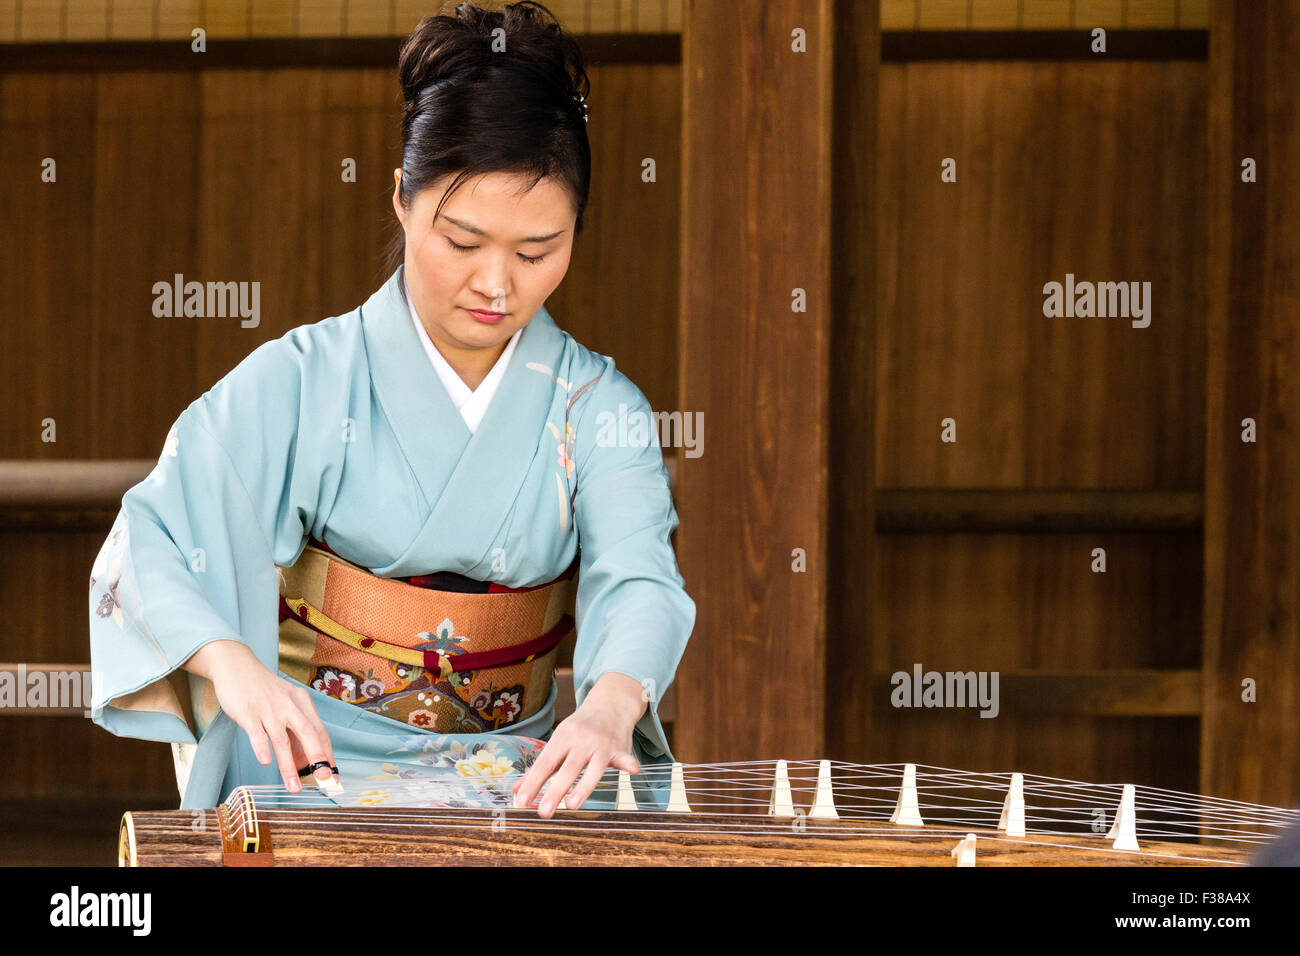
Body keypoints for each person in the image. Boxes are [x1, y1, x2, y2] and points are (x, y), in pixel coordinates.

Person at [87, 0, 694, 819]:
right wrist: (234, 666)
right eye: (464, 241)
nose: (496, 285)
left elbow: (640, 582)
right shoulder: (300, 383)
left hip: (527, 781)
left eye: (536, 251)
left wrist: (611, 704)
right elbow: (153, 540)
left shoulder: (597, 408)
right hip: (316, 772)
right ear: (402, 198)